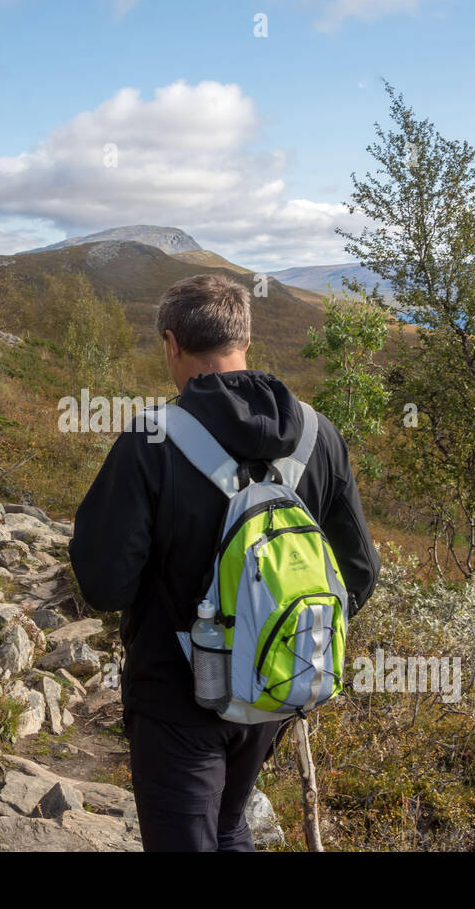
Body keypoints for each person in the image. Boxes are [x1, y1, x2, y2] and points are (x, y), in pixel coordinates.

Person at [68, 273, 382, 852]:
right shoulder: (319, 435)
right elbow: (359, 570)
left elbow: (105, 584)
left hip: (174, 698)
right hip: (270, 686)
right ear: (244, 340)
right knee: (229, 824)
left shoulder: (150, 440)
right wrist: (281, 631)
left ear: (172, 343)